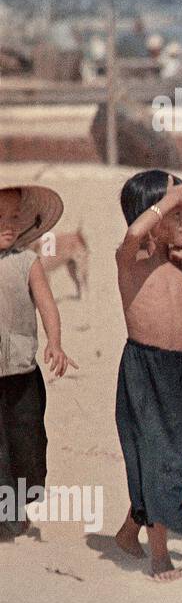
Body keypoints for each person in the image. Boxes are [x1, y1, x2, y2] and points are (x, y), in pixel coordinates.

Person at [112, 171, 182, 579]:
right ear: (151, 215)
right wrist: (167, 199)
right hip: (143, 368)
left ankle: (129, 531)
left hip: (181, 371)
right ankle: (160, 553)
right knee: (159, 457)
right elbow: (133, 234)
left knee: (177, 457)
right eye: (178, 213)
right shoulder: (131, 258)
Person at [0, 182, 76, 539]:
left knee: (26, 443)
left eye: (16, 217)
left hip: (22, 374)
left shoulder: (27, 262)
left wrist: (55, 344)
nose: (9, 224)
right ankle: (6, 519)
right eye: (0, 217)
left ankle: (18, 508)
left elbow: (47, 304)